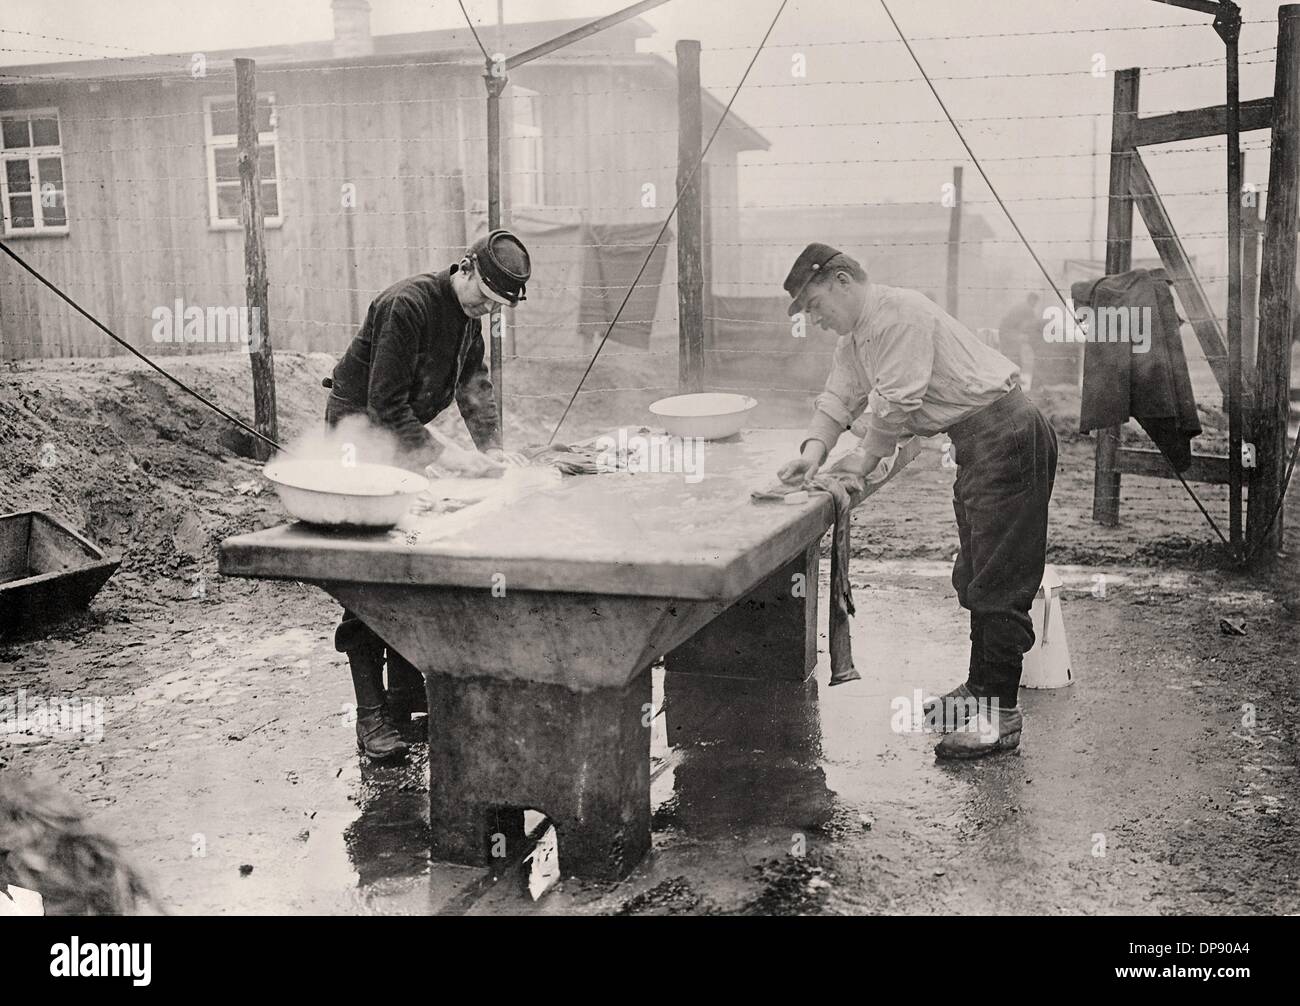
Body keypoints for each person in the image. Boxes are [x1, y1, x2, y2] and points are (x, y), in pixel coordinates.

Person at [777, 243, 1057, 759]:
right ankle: (979, 689)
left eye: (816, 304)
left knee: (1000, 576)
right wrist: (813, 455)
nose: (815, 319)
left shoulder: (899, 314)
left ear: (842, 281)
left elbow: (897, 404)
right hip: (977, 441)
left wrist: (862, 461)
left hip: (1007, 434)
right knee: (975, 570)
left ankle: (1001, 715)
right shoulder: (858, 337)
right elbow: (839, 397)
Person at [325, 229, 531, 761]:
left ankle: (403, 699)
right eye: (482, 296)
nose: (484, 310)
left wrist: (495, 451)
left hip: (405, 435)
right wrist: (452, 458)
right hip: (361, 435)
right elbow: (386, 407)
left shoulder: (469, 325)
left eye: (494, 306)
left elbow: (474, 390)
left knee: (413, 555)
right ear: (464, 269)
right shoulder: (407, 306)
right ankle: (371, 718)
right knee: (370, 571)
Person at [996, 292, 1041, 375]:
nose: (1035, 305)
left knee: (1009, 356)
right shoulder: (1027, 309)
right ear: (1032, 300)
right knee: (1014, 356)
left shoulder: (1022, 306)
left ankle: (1013, 378)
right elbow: (1034, 324)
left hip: (1005, 333)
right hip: (1009, 333)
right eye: (1035, 302)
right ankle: (1014, 379)